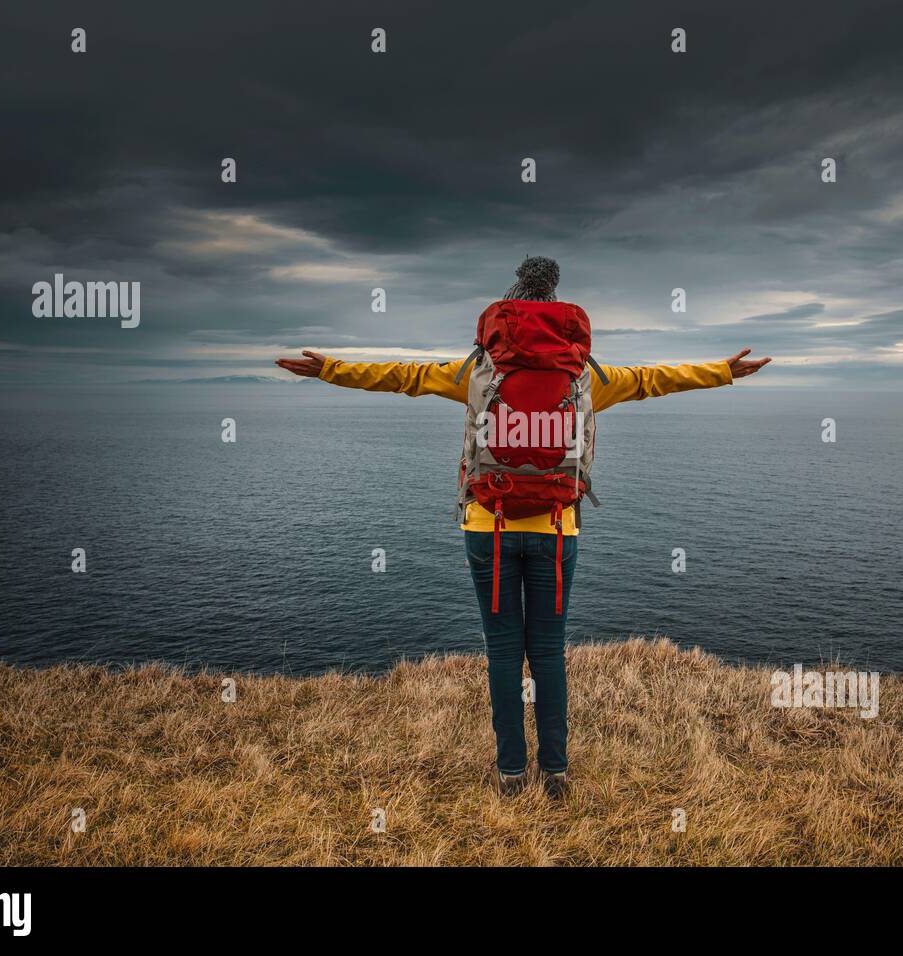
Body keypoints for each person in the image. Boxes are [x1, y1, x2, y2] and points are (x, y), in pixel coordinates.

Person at [276, 257, 771, 799]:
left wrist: (330, 368)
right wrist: (722, 371)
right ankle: (555, 772)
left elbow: (405, 376)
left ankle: (511, 772)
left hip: (487, 525)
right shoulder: (586, 376)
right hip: (558, 530)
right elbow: (654, 380)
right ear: (561, 306)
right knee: (550, 652)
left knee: (504, 651)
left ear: (505, 308)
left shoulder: (477, 372)